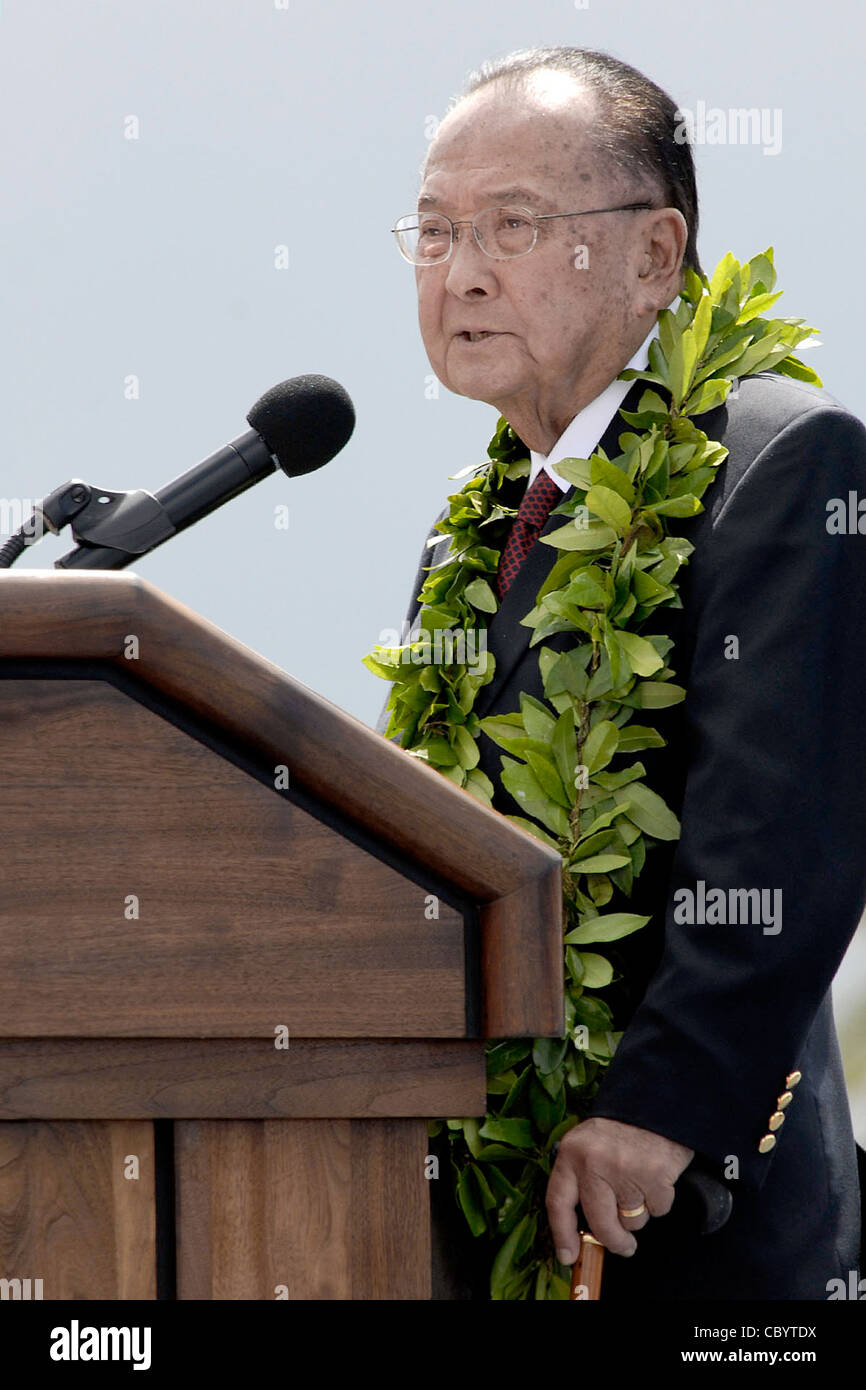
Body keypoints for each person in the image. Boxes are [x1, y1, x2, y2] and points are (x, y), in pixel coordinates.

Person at [377, 46, 866, 1299]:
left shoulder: (777, 458)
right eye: (431, 231)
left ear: (655, 255)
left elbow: (783, 834)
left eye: (512, 225)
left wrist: (661, 1111)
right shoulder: (475, 530)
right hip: (492, 1198)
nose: (460, 270)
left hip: (683, 1213)